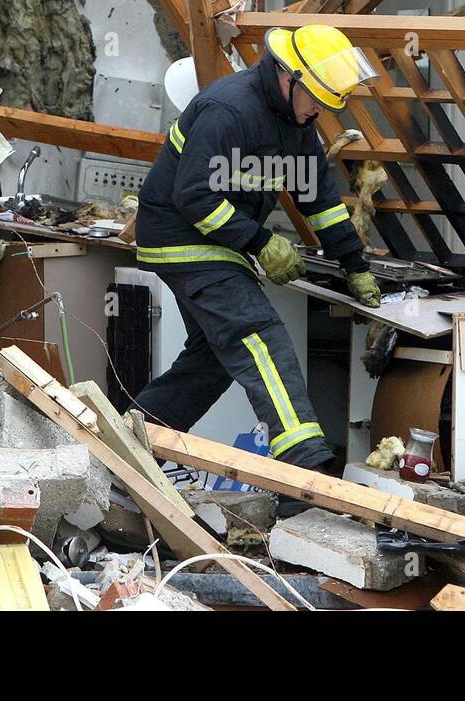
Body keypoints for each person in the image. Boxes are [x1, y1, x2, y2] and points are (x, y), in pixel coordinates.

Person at [132, 24, 381, 472]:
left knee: (214, 358)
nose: (319, 113)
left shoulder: (297, 124)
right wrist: (261, 241)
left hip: (217, 241)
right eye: (318, 101)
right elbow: (194, 196)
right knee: (259, 337)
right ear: (289, 78)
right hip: (181, 237)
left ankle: (134, 437)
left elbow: (320, 203)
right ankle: (305, 464)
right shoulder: (228, 109)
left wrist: (353, 265)